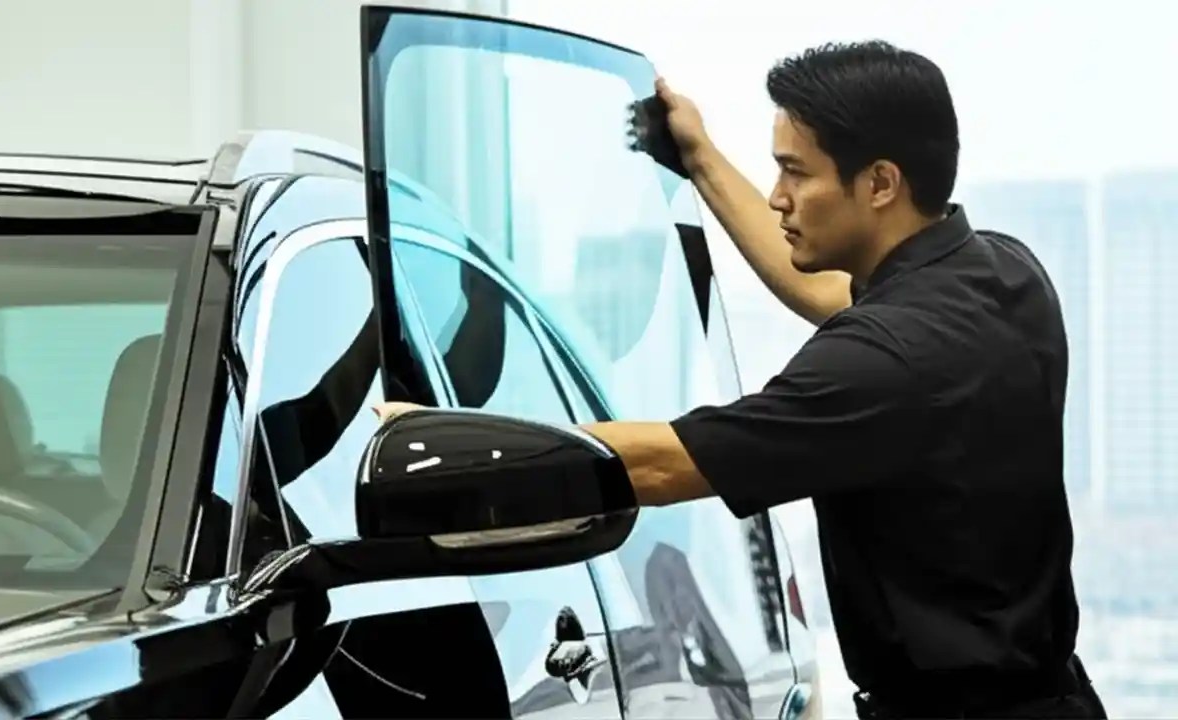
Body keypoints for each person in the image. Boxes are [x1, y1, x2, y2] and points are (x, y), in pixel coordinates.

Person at [377, 40, 1107, 719]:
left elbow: (660, 464)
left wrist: (449, 443)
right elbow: (823, 293)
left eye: (796, 172)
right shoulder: (1005, 272)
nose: (779, 196)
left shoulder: (883, 362)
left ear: (881, 182)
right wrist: (699, 158)